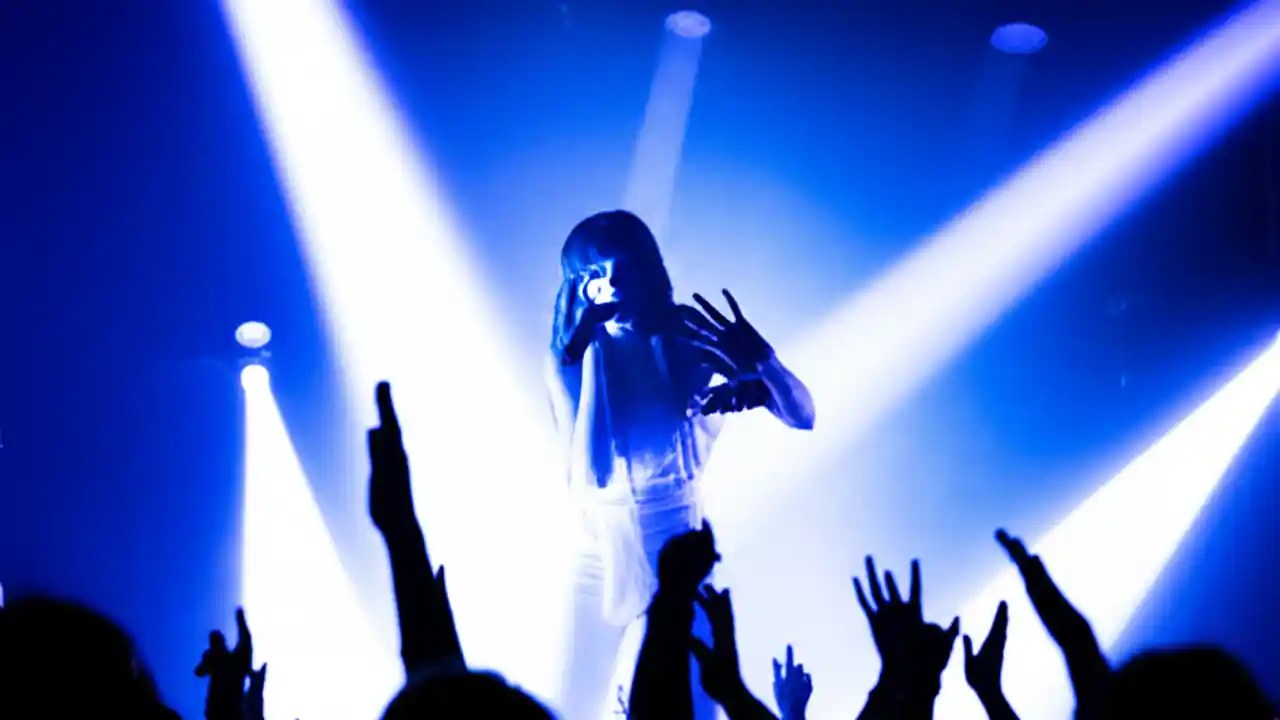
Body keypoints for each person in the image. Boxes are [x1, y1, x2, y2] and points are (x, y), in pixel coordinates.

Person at [545, 210, 815, 719]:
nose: (608, 284)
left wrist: (764, 364)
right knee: (568, 707)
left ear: (646, 268)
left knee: (692, 707)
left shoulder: (690, 336)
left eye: (618, 267)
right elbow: (593, 471)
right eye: (590, 275)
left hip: (676, 549)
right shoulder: (569, 357)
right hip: (596, 555)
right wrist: (592, 355)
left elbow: (803, 415)